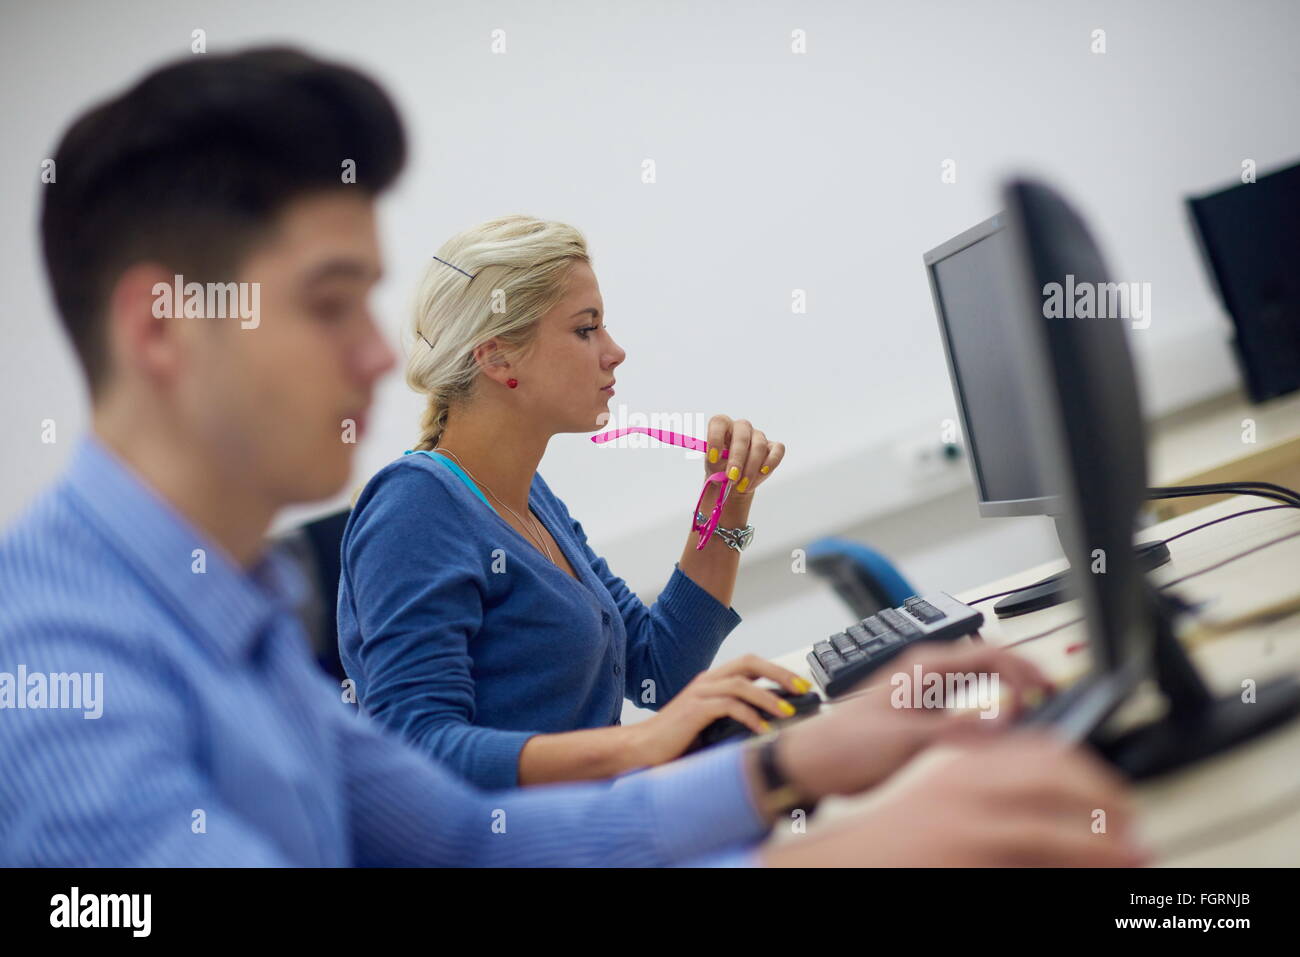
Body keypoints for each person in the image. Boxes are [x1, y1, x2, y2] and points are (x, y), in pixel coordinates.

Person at [0, 45, 1147, 868]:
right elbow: (460, 756)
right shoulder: (52, 656)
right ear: (162, 326)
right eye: (329, 305)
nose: (372, 357)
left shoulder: (235, 608)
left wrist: (788, 765)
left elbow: (458, 837)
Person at [338, 215, 811, 788]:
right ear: (498, 358)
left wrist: (727, 505)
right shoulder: (414, 508)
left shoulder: (529, 497)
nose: (615, 352)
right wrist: (634, 745)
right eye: (586, 329)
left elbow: (660, 671)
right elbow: (419, 750)